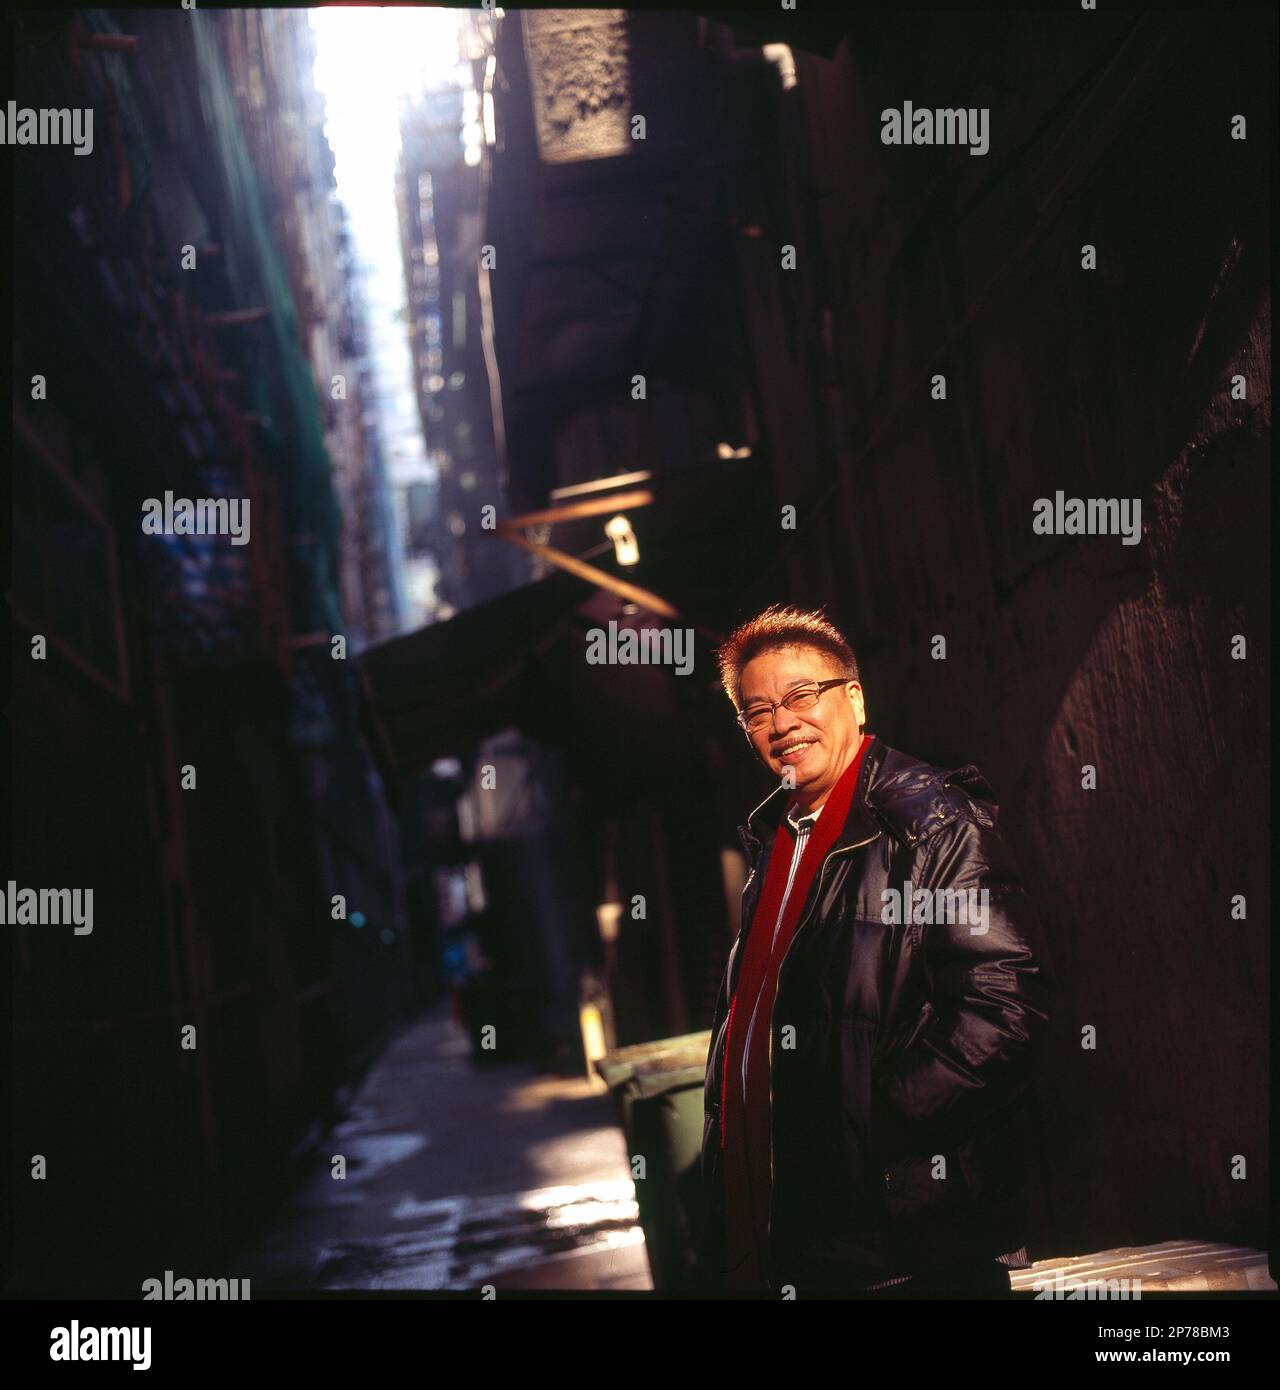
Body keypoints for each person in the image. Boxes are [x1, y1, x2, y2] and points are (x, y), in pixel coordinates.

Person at [698, 604, 1053, 1296]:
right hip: (798, 1241)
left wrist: (867, 1127)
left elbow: (1007, 1014)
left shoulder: (929, 823)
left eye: (803, 695)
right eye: (758, 711)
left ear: (855, 699)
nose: (782, 723)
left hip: (909, 1247)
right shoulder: (777, 842)